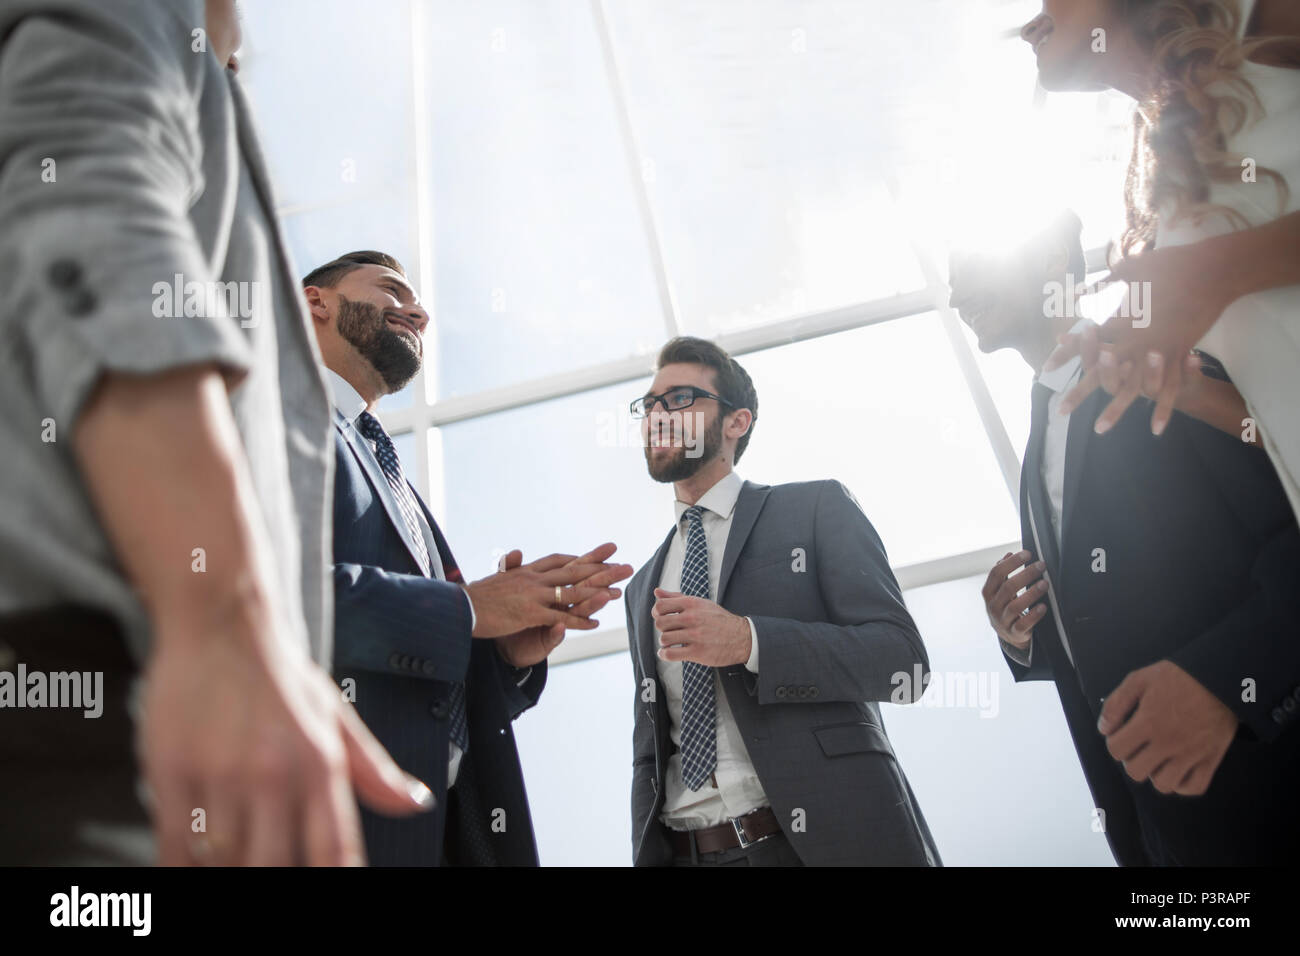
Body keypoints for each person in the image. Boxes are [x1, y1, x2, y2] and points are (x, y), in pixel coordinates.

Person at [0, 0, 431, 865]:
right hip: (98, 694)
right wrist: (220, 620)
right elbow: (95, 210)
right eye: (388, 288)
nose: (416, 309)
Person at [951, 211, 1300, 864]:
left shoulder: (1174, 360)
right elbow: (1110, 626)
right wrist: (1024, 637)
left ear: (1056, 256)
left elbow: (1293, 528)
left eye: (969, 266)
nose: (955, 294)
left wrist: (1227, 681)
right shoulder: (1036, 452)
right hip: (1168, 839)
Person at [302, 251, 632, 865]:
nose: (419, 312)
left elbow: (420, 677)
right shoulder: (261, 417)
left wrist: (499, 656)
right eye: (392, 291)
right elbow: (254, 595)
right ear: (315, 302)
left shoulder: (391, 473)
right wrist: (465, 610)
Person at [624, 336, 939, 866]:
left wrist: (750, 641)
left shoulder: (813, 507)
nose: (658, 414)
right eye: (649, 404)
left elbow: (901, 660)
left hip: (826, 844)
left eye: (678, 398)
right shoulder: (641, 587)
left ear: (736, 421)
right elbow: (649, 754)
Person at [1021, 0, 1300, 523]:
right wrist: (1186, 389)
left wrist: (1223, 269)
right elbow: (1274, 420)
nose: (1030, 26)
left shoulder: (1254, 20)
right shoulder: (1158, 194)